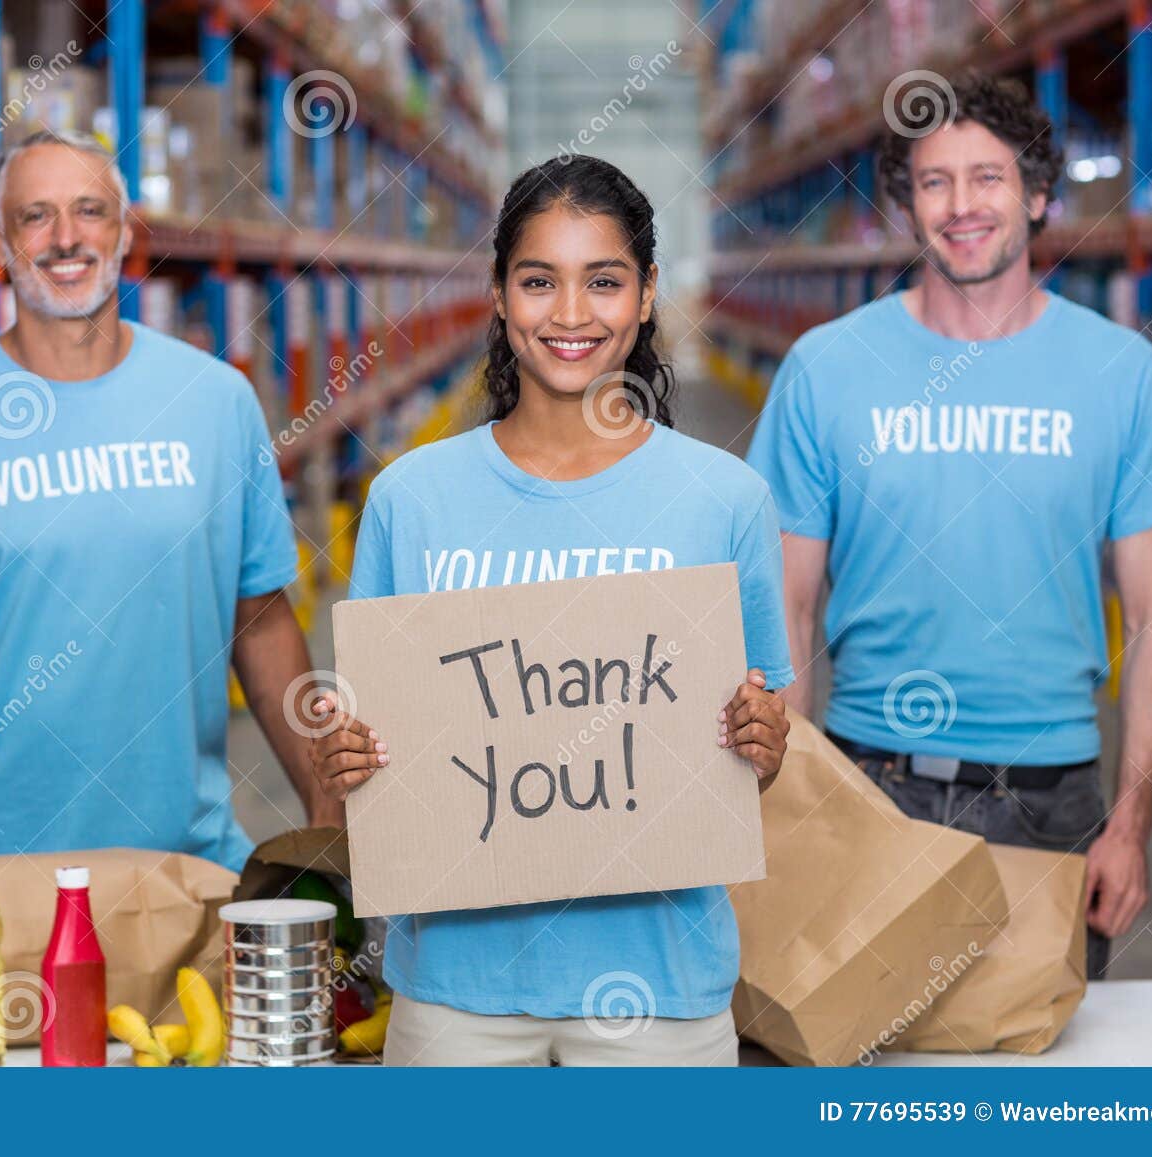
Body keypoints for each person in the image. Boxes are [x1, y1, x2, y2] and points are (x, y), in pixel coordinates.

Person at [310, 155, 793, 1066]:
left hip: (661, 993)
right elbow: (370, 744)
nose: (570, 314)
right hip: (459, 992)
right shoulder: (411, 500)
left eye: (603, 281)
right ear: (498, 294)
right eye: (539, 281)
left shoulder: (723, 500)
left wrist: (763, 744)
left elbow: (756, 749)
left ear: (647, 294)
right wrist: (342, 756)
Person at [747, 73, 1152, 978]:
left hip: (1052, 804)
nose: (962, 206)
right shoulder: (826, 369)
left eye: (988, 178)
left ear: (1037, 195)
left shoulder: (1120, 373)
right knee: (855, 1096)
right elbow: (786, 608)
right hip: (866, 785)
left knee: (1033, 1103)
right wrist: (788, 809)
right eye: (934, 182)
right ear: (907, 207)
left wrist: (1132, 823)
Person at [0, 129, 338, 906]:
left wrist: (326, 811)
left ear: (126, 230)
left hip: (187, 871)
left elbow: (263, 620)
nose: (66, 237)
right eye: (35, 215)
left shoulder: (213, 403)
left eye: (89, 210)